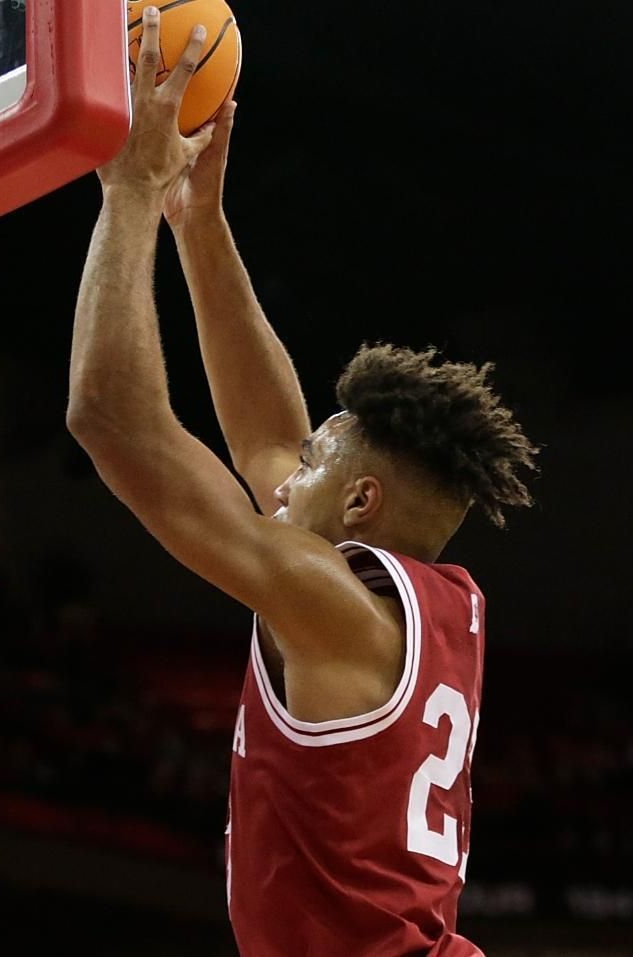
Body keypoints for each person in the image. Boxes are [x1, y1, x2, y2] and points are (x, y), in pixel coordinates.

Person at [66, 9, 538, 955]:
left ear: (362, 504)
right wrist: (197, 222)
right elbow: (270, 440)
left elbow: (113, 421)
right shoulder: (410, 602)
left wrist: (127, 192)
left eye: (322, 463)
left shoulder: (332, 604)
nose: (286, 477)